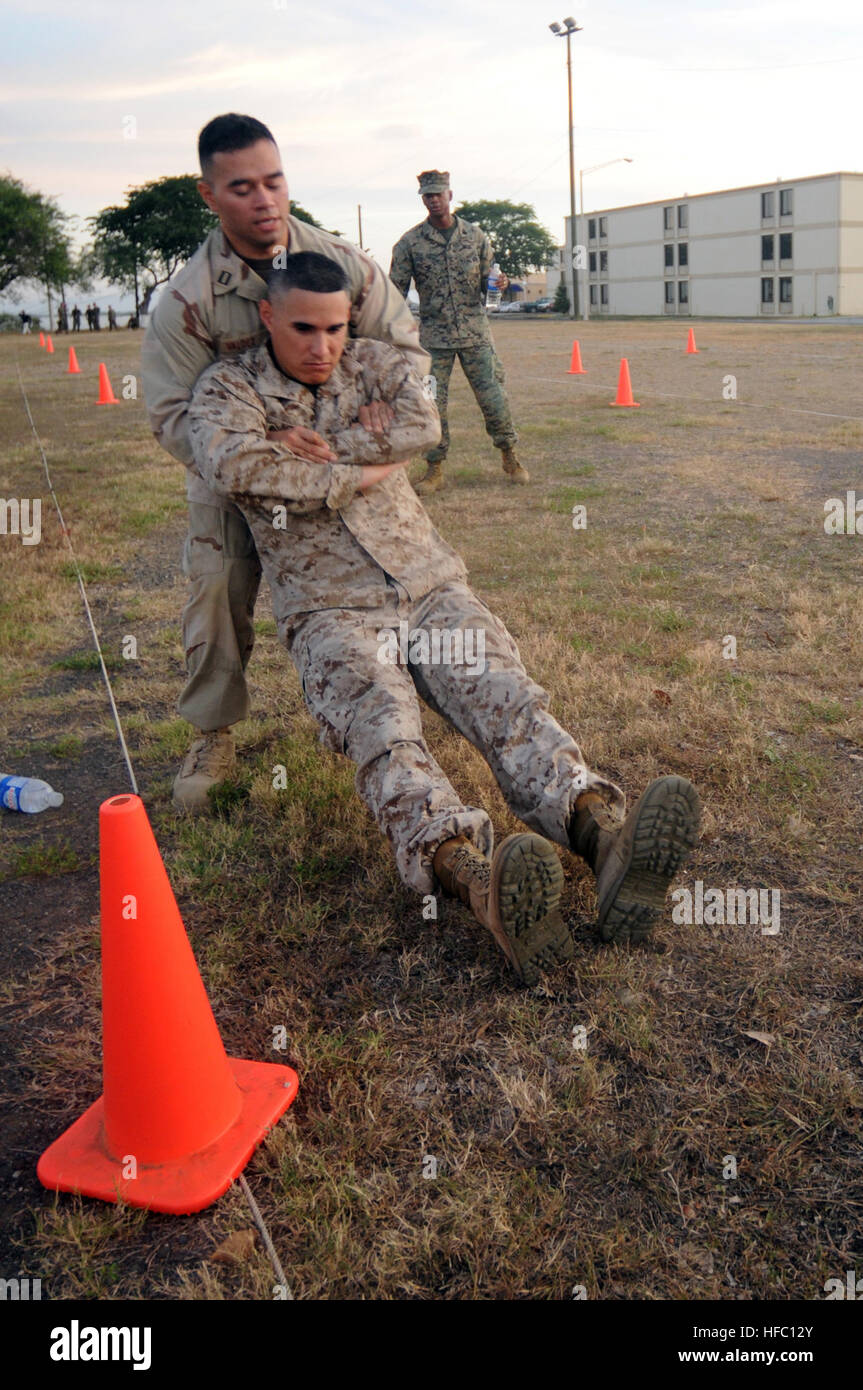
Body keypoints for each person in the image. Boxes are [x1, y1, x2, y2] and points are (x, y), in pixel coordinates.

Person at [187, 251, 701, 984]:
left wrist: (321, 453)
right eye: (302, 327)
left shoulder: (376, 361)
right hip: (330, 606)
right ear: (267, 315)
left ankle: (601, 835)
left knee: (506, 697)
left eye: (335, 328)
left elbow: (422, 423)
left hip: (425, 582)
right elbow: (233, 466)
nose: (322, 346)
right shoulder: (229, 387)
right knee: (384, 731)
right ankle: (479, 885)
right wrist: (358, 465)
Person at [141, 112, 427, 815]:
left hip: (346, 459)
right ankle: (213, 731)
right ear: (209, 195)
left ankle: (423, 705)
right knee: (216, 586)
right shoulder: (186, 302)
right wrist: (263, 451)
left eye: (274, 181)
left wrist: (361, 436)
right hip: (238, 475)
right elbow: (172, 416)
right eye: (241, 188)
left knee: (400, 583)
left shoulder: (344, 267)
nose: (264, 200)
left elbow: (408, 359)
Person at [390, 170, 526, 496]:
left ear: (450, 195)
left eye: (439, 193)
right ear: (423, 199)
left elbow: (488, 283)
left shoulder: (476, 237)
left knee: (493, 397)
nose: (434, 200)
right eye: (428, 195)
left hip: (475, 333)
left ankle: (510, 456)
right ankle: (434, 467)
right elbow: (394, 292)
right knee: (432, 403)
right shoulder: (410, 243)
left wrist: (501, 284)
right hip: (434, 338)